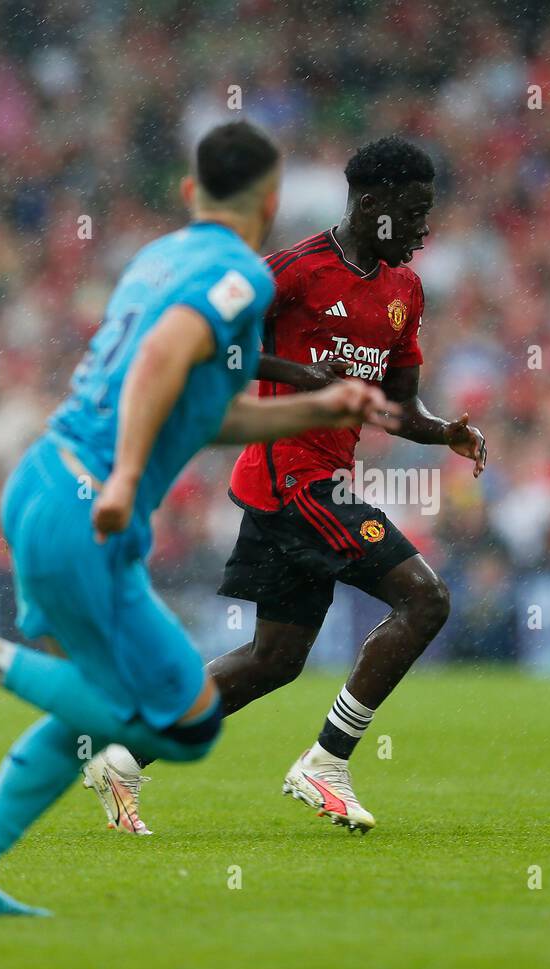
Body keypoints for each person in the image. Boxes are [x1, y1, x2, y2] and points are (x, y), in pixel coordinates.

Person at [0, 121, 400, 916]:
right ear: (271, 200)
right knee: (188, 721)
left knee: (98, 704)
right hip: (88, 501)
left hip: (41, 483)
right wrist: (129, 475)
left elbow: (206, 410)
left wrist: (318, 400)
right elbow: (164, 356)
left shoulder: (156, 259)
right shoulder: (238, 275)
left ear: (188, 194)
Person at [84, 136, 486, 836]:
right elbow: (209, 339)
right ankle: (327, 761)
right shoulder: (293, 272)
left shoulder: (404, 292)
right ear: (372, 204)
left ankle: (125, 756)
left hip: (314, 480)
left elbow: (396, 405)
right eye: (415, 211)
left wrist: (441, 430)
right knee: (425, 597)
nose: (425, 229)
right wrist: (303, 378)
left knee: (274, 659)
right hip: (290, 473)